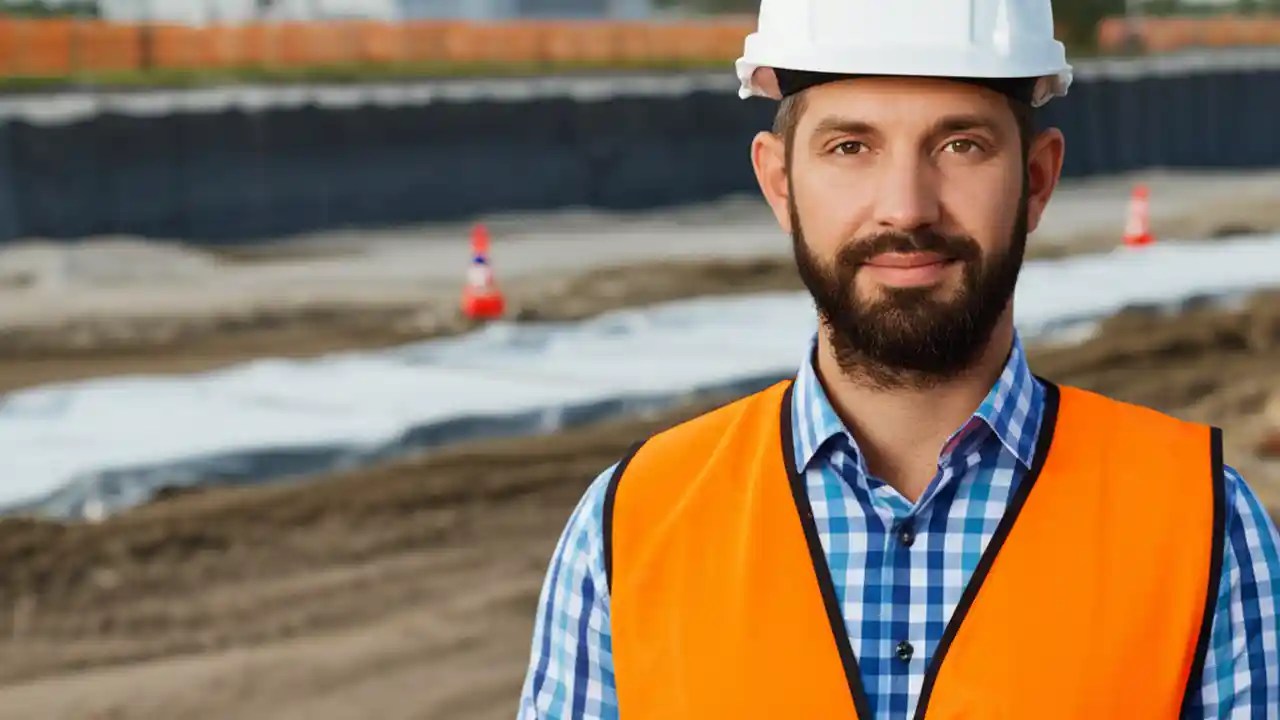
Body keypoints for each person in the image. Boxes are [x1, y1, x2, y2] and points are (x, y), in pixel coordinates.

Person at [517, 0, 1280, 717]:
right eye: (851, 147)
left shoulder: (1207, 528)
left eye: (960, 145)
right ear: (781, 183)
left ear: (1037, 179)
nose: (907, 206)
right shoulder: (629, 527)